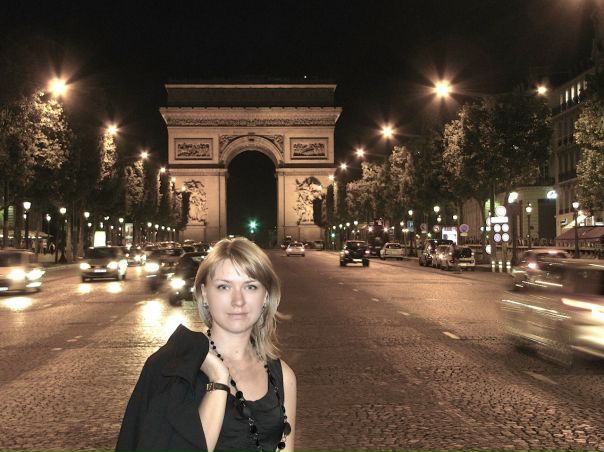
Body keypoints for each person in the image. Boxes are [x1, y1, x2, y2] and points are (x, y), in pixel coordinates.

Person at [115, 237, 296, 452]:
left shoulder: (283, 376)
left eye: (250, 286)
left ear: (265, 295)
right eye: (223, 287)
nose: (238, 300)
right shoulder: (172, 370)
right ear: (204, 294)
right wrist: (218, 379)